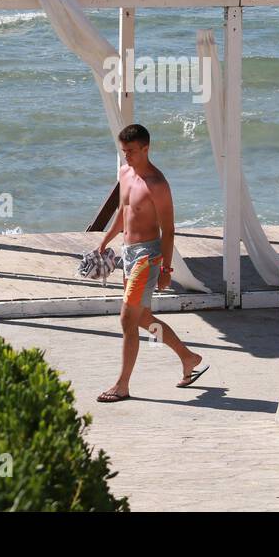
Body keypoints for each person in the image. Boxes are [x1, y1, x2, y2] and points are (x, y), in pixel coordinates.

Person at [96, 124, 208, 403]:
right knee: (143, 317)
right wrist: (106, 240)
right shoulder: (124, 173)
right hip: (128, 252)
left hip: (148, 256)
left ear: (146, 148)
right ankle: (188, 357)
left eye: (132, 152)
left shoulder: (158, 184)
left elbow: (168, 230)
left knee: (127, 318)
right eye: (124, 152)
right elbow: (123, 212)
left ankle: (122, 386)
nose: (127, 157)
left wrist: (167, 270)